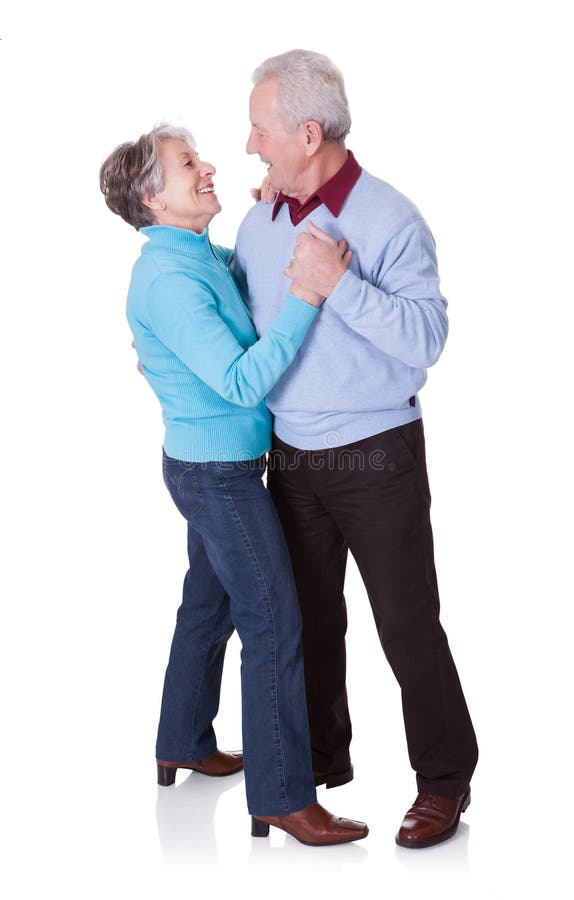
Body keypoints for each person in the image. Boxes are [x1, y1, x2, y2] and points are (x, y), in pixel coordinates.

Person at [231, 49, 479, 849]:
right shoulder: (261, 216)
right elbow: (243, 321)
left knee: (406, 624)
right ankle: (318, 763)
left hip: (376, 455)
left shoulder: (389, 219)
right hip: (290, 455)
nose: (249, 146)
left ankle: (443, 782)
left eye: (261, 129)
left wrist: (342, 285)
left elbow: (427, 339)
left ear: (308, 132)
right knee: (307, 620)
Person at [99, 123, 368, 846]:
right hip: (219, 476)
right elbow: (244, 382)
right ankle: (282, 796)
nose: (210, 166)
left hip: (208, 465)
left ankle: (181, 738)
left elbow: (225, 275)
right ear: (153, 197)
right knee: (274, 620)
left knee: (207, 604)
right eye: (189, 164)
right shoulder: (168, 279)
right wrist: (309, 296)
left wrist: (275, 206)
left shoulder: (187, 256)